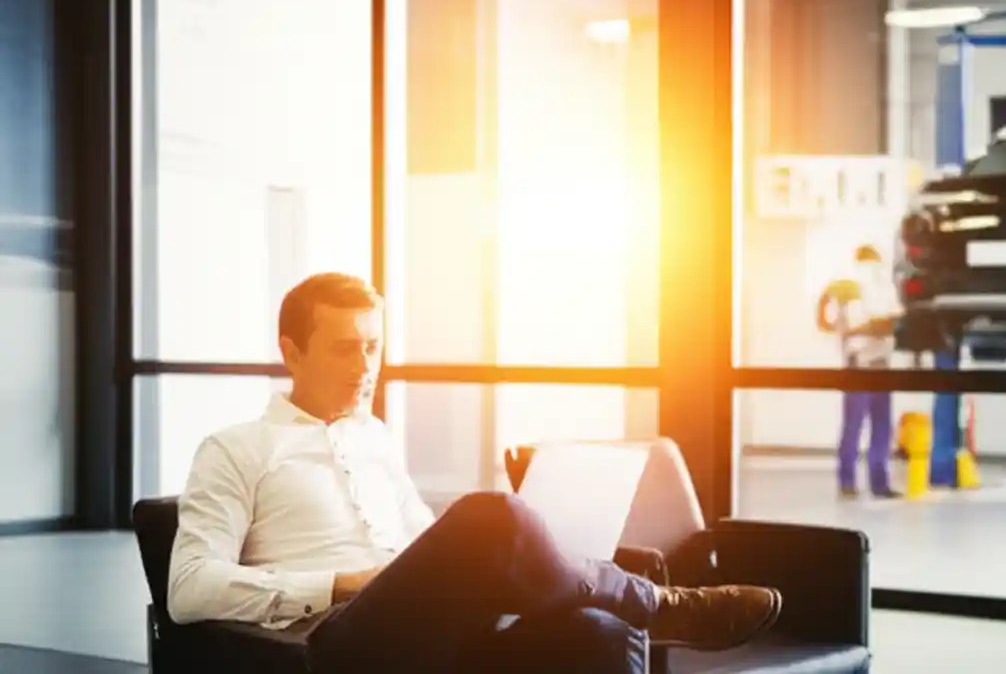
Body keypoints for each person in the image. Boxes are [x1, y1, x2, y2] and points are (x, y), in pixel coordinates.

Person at [167, 273, 782, 673]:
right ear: (291, 351)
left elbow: (422, 545)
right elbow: (189, 589)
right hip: (334, 642)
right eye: (343, 347)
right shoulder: (234, 449)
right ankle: (660, 603)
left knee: (595, 631)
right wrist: (343, 582)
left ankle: (632, 599)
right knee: (489, 512)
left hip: (434, 632)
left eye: (373, 347)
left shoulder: (376, 441)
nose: (365, 367)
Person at [816, 244, 903, 499]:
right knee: (869, 426)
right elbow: (875, 323)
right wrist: (873, 327)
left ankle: (856, 482)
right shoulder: (857, 285)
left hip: (868, 362)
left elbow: (885, 322)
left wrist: (833, 325)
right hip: (866, 363)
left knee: (868, 426)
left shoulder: (851, 284)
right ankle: (866, 482)